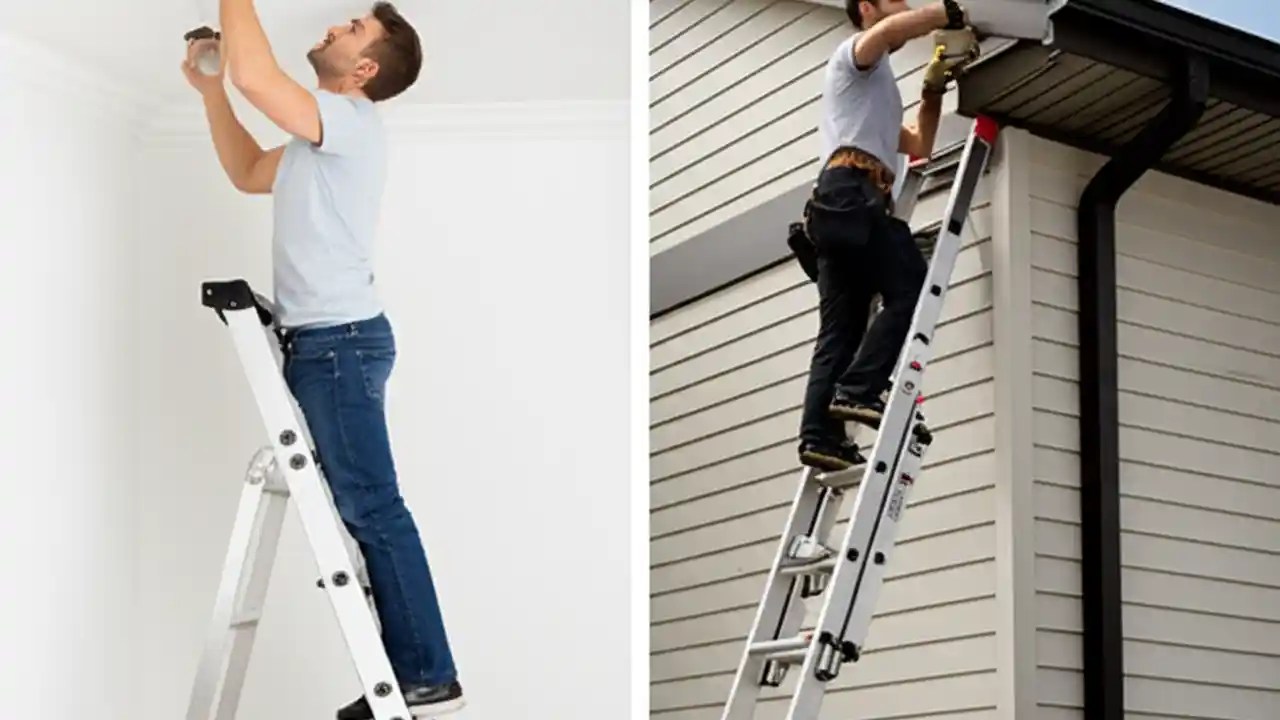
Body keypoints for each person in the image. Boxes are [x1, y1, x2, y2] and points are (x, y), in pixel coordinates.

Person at [182, 3, 464, 718]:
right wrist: (211, 91)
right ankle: (410, 671)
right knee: (368, 509)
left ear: (363, 69)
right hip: (330, 344)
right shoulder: (318, 138)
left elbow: (257, 77)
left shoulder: (351, 122)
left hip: (339, 344)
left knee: (373, 507)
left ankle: (427, 675)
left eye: (354, 30)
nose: (336, 26)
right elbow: (249, 171)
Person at [794, 0, 979, 472]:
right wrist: (947, 12)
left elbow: (918, 145)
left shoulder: (871, 99)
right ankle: (859, 390)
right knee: (911, 285)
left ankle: (820, 437)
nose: (905, 4)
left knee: (842, 331)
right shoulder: (852, 57)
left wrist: (933, 88)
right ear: (868, 8)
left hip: (838, 208)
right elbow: (888, 33)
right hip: (851, 193)